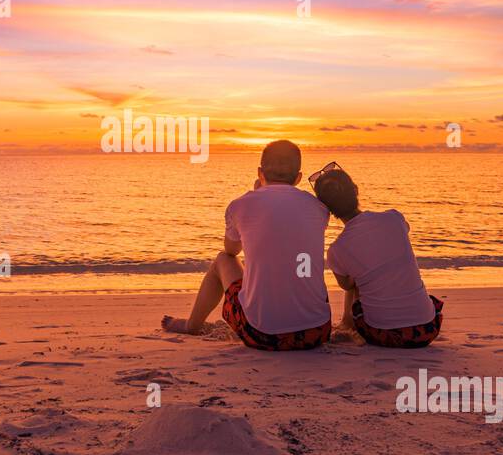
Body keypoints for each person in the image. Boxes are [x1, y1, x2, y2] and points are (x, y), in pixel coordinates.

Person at [161, 140, 332, 350]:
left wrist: (256, 195)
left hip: (261, 334)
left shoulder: (240, 205)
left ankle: (191, 325)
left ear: (260, 172)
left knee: (222, 260)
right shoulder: (319, 207)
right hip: (317, 332)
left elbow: (231, 250)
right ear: (298, 178)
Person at [311, 163, 443, 348]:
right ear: (355, 190)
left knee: (355, 276)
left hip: (382, 334)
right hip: (427, 329)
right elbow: (405, 231)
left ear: (327, 209)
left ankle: (348, 322)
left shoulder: (337, 250)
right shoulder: (394, 218)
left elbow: (347, 285)